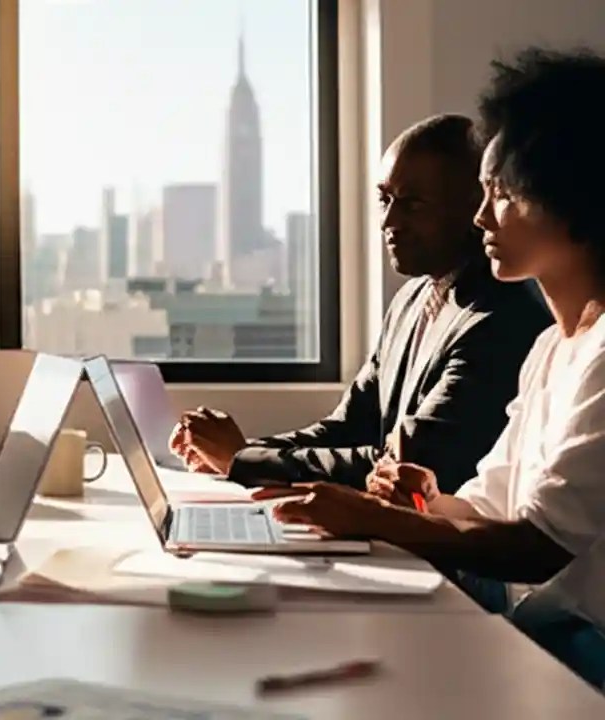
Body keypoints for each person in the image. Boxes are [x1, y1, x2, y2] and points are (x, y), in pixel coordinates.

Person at [258, 48, 605, 686]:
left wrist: (374, 517)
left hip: (585, 648)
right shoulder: (553, 348)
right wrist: (426, 499)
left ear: (571, 201)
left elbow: (538, 548)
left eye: (501, 194)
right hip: (535, 624)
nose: (481, 216)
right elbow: (490, 503)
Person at [172, 114, 550, 493]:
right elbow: (348, 428)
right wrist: (240, 454)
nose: (388, 220)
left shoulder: (501, 319)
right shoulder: (411, 300)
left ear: (472, 207)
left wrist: (243, 459)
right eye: (384, 199)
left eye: (413, 204)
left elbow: (413, 462)